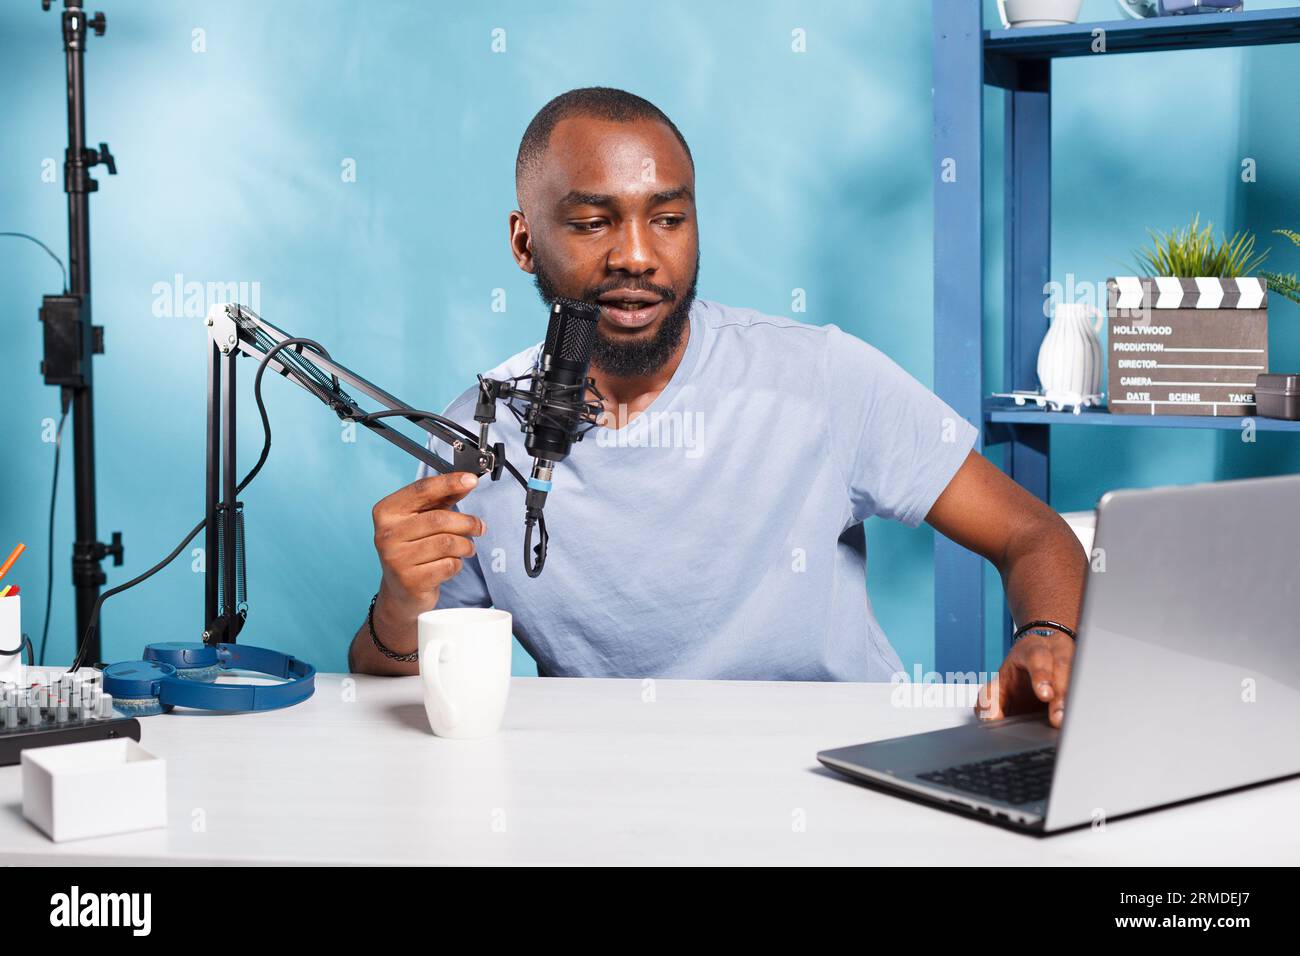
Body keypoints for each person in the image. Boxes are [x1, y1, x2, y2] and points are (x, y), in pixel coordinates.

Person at [349, 87, 1086, 727]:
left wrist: (1049, 634)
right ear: (524, 241)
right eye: (592, 223)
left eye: (667, 219)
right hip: (608, 798)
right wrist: (399, 597)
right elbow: (393, 671)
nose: (636, 256)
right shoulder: (476, 435)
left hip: (836, 778)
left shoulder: (822, 376)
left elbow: (1035, 535)